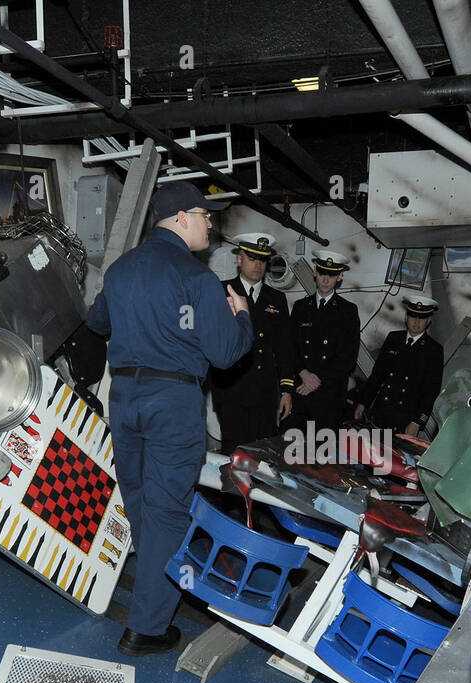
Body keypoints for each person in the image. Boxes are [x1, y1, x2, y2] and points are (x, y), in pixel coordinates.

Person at [85, 181, 252, 657]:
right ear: (182, 218)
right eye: (206, 216)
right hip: (172, 400)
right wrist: (242, 318)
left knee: (141, 500)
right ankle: (147, 627)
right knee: (167, 510)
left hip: (125, 396)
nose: (211, 225)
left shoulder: (120, 270)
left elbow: (97, 324)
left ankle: (152, 588)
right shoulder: (197, 278)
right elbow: (224, 355)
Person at [210, 233, 294, 454]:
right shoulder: (221, 291)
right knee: (233, 455)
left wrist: (286, 390)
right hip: (231, 391)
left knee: (264, 455)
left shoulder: (276, 299)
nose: (258, 265)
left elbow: (284, 347)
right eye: (252, 258)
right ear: (239, 260)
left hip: (265, 394)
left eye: (263, 259)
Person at [282, 250, 360, 435]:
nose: (326, 279)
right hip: (300, 393)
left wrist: (315, 380)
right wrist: (303, 373)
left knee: (323, 459)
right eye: (322, 272)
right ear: (315, 273)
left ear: (340, 277)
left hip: (329, 398)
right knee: (293, 454)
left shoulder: (348, 311)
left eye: (332, 275)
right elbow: (289, 347)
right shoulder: (301, 307)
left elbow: (348, 358)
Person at [354, 293, 444, 437]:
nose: (416, 322)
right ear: (405, 317)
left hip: (406, 421)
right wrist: (363, 402)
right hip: (381, 412)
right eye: (413, 316)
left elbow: (431, 391)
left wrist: (417, 422)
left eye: (422, 318)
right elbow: (377, 375)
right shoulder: (393, 339)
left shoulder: (434, 350)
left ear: (428, 321)